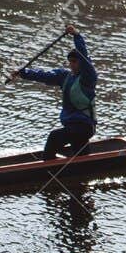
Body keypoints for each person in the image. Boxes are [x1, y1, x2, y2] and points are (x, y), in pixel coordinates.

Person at [14, 24, 97, 159]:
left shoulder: (88, 77)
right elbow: (43, 75)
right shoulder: (64, 76)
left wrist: (76, 35)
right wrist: (23, 73)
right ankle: (83, 169)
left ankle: (46, 165)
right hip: (71, 126)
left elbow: (83, 54)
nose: (72, 64)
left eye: (75, 61)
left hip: (84, 127)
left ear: (81, 63)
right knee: (80, 154)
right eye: (70, 61)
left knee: (54, 136)